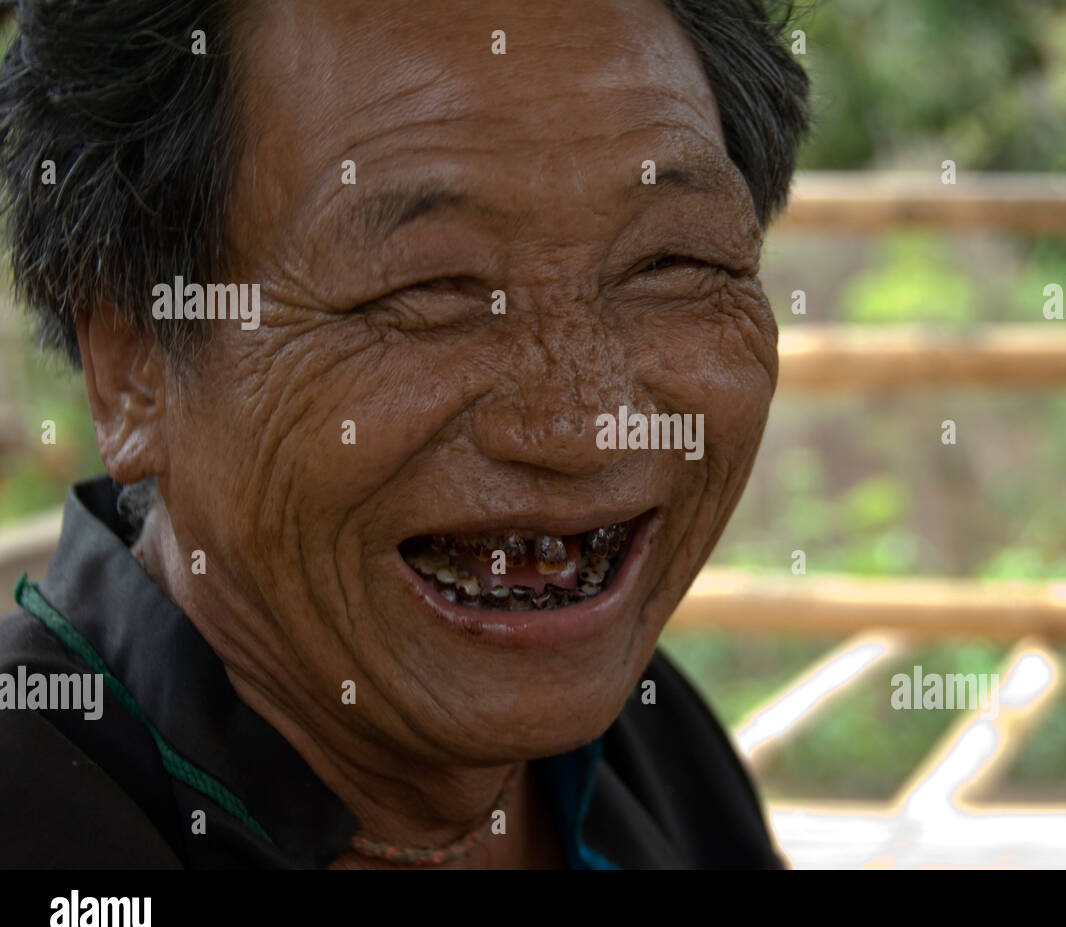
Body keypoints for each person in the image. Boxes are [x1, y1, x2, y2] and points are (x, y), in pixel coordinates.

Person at [0, 0, 811, 868]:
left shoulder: (653, 747)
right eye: (423, 290)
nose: (582, 427)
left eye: (669, 265)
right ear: (135, 368)